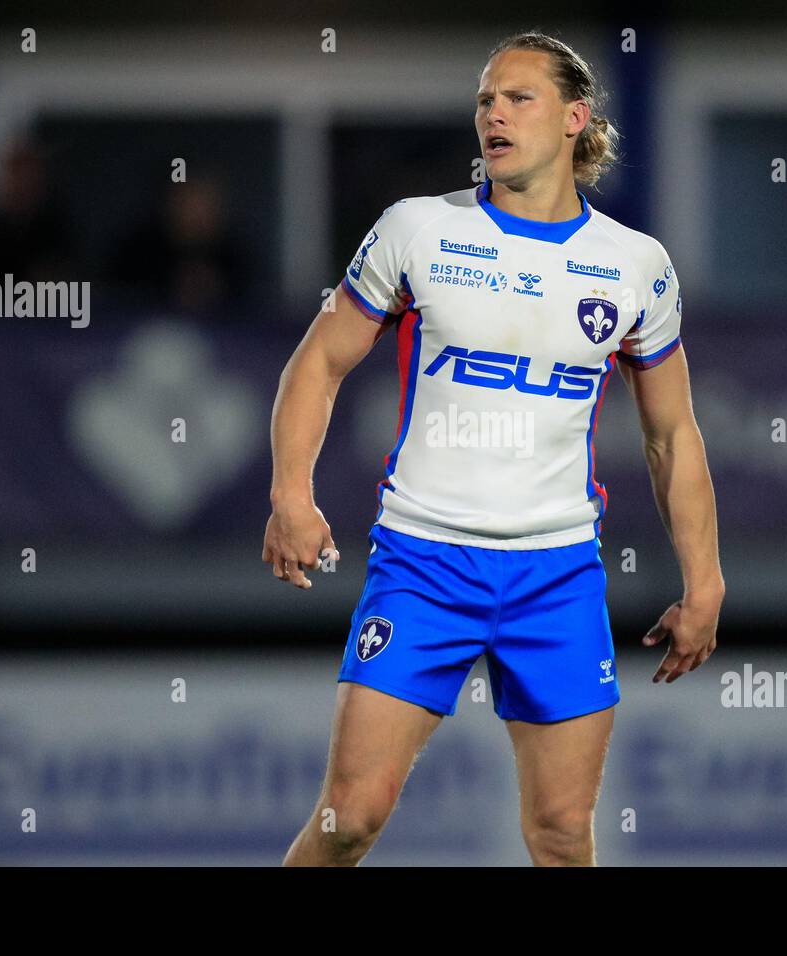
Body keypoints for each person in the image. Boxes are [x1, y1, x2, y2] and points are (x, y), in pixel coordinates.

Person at [264, 31, 724, 866]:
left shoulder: (635, 266)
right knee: (351, 816)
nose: (494, 115)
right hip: (424, 563)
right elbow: (317, 362)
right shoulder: (420, 230)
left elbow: (671, 433)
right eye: (485, 100)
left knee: (559, 835)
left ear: (575, 118)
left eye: (518, 98)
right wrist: (291, 495)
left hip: (558, 574)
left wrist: (705, 578)